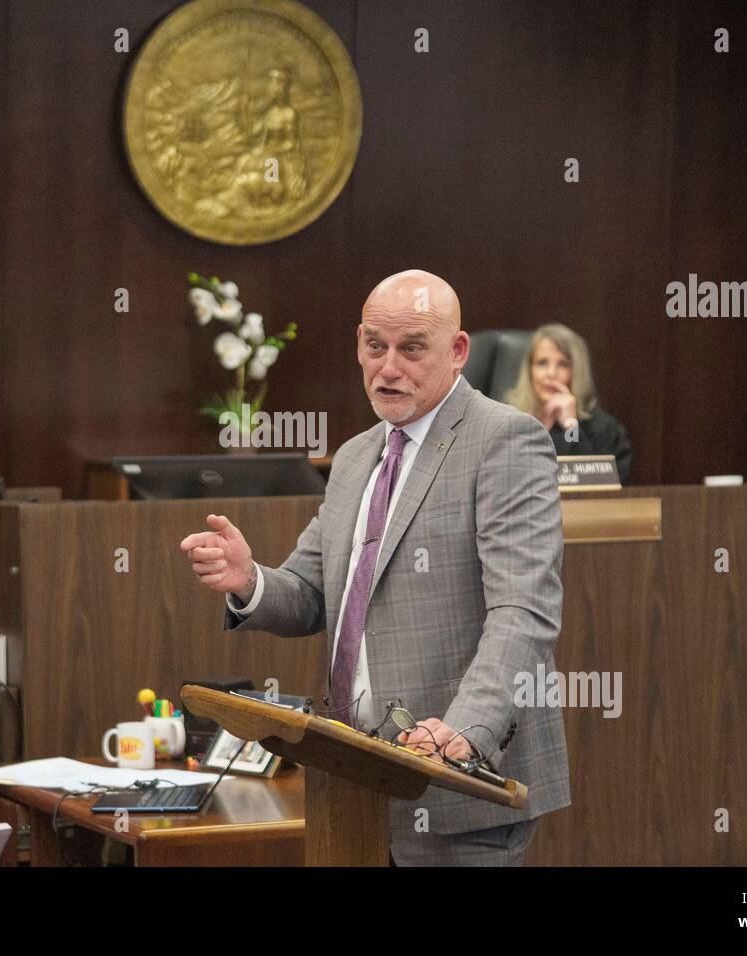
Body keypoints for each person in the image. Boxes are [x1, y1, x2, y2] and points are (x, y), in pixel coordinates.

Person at [180, 269, 570, 865]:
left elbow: (524, 611)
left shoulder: (504, 441)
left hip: (452, 789)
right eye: (374, 346)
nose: (388, 368)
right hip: (353, 787)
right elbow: (311, 594)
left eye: (411, 348)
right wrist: (250, 580)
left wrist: (465, 730)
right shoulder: (359, 455)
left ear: (458, 351)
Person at [503, 323, 632, 484]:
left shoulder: (604, 429)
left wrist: (571, 427)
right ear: (529, 370)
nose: (551, 373)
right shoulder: (508, 420)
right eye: (542, 363)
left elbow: (599, 486)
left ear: (577, 371)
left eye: (563, 364)